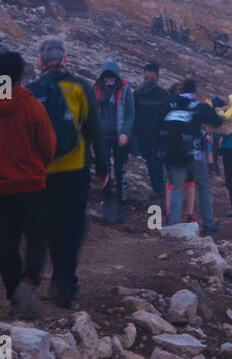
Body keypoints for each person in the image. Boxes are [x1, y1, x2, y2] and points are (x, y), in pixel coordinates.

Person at [0, 51, 56, 319]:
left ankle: (14, 297)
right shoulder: (32, 106)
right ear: (21, 75)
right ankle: (29, 282)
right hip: (31, 185)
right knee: (38, 236)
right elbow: (48, 146)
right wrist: (37, 165)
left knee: (6, 243)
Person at [28, 38, 109, 309]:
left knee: (51, 226)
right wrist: (103, 167)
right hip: (76, 169)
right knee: (73, 227)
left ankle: (52, 280)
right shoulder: (80, 87)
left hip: (42, 171)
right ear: (65, 59)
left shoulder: (30, 91)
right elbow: (95, 129)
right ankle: (65, 282)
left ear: (40, 61)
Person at [159, 78, 223, 233]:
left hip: (173, 153)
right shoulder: (196, 106)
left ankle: (173, 225)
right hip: (194, 154)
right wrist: (210, 106)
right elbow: (217, 121)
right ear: (194, 92)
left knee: (176, 188)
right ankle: (208, 224)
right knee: (203, 187)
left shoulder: (170, 104)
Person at [91, 61, 135, 223]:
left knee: (120, 171)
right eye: (107, 79)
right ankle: (107, 204)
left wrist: (125, 132)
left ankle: (122, 206)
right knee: (104, 170)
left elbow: (131, 113)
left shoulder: (125, 89)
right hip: (102, 137)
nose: (110, 81)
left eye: (112, 79)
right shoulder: (95, 89)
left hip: (119, 137)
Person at [132, 63, 168, 200]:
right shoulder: (138, 94)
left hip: (159, 137)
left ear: (157, 77)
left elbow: (166, 115)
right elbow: (134, 113)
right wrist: (135, 132)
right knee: (150, 164)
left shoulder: (163, 95)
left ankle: (160, 193)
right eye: (146, 77)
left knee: (157, 164)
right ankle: (157, 190)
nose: (148, 81)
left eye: (151, 78)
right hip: (143, 136)